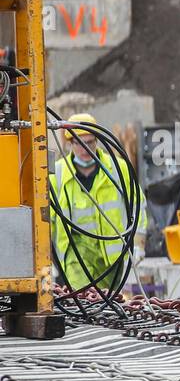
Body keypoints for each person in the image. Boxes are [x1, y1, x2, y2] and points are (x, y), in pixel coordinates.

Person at [50, 113, 146, 292]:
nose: (85, 149)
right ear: (70, 144)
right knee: (84, 302)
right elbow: (47, 218)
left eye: (90, 142)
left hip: (113, 257)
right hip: (76, 256)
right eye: (79, 143)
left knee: (111, 307)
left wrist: (139, 243)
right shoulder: (57, 174)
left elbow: (138, 204)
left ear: (97, 141)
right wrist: (46, 257)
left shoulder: (118, 169)